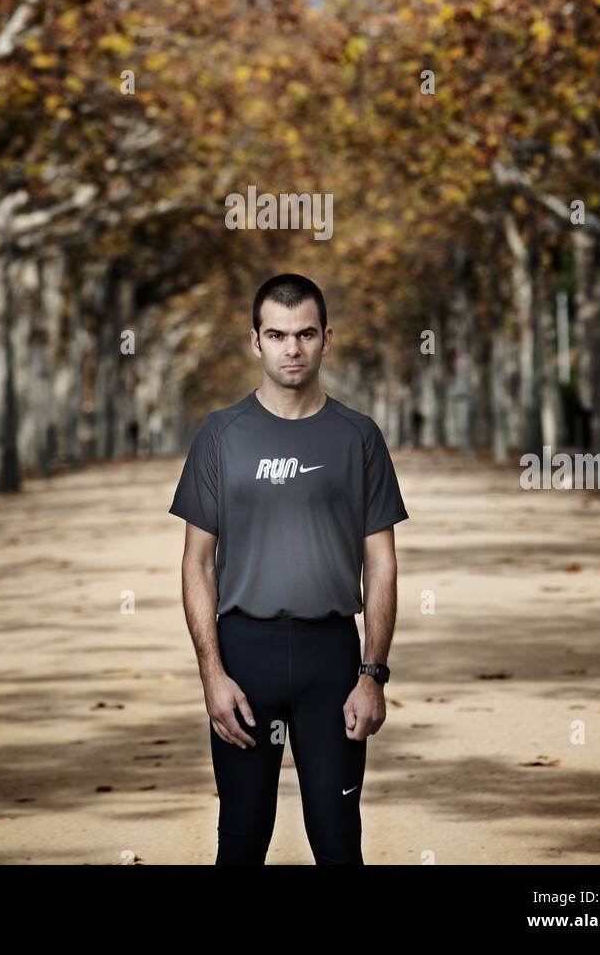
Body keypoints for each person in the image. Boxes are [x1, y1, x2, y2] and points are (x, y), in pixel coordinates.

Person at [168, 272, 409, 865]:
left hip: (332, 658)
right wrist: (211, 675)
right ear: (256, 342)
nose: (292, 348)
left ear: (326, 338)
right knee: (241, 841)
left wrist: (372, 674)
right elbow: (197, 562)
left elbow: (381, 564)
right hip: (244, 654)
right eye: (276, 335)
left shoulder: (359, 436)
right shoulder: (220, 434)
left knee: (337, 840)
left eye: (304, 334)